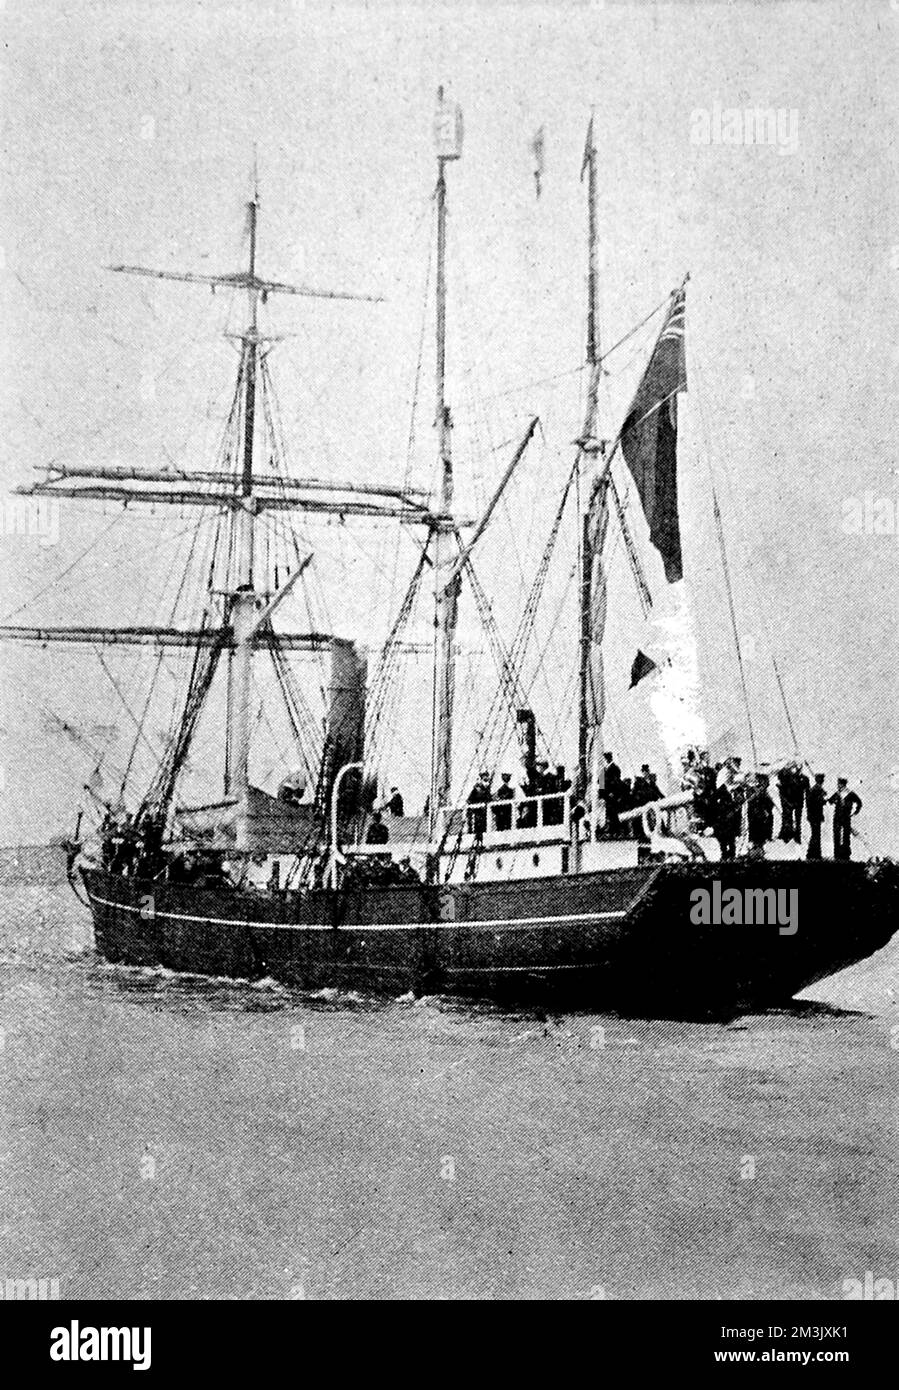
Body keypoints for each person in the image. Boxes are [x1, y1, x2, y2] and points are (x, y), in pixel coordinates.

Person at [829, 778, 862, 860]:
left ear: (843, 785)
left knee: (845, 836)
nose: (838, 786)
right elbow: (830, 801)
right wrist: (831, 800)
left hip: (846, 817)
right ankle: (837, 854)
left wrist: (856, 811)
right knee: (837, 835)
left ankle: (845, 855)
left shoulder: (850, 794)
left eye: (839, 784)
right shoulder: (838, 794)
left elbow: (859, 802)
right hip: (838, 817)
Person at [747, 774, 775, 856]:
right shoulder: (753, 789)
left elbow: (770, 804)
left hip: (763, 817)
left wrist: (767, 809)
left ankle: (760, 849)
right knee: (756, 834)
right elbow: (750, 801)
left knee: (763, 834)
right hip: (755, 817)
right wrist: (757, 794)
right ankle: (755, 849)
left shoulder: (765, 792)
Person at [712, 781, 740, 861]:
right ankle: (729, 855)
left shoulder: (723, 803)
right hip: (725, 824)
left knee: (727, 841)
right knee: (728, 841)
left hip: (726, 824)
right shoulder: (728, 802)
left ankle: (728, 855)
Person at [805, 773, 827, 860]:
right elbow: (818, 802)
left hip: (813, 815)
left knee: (815, 834)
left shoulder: (815, 789)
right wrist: (824, 798)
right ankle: (814, 853)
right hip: (815, 815)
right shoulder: (816, 789)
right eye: (822, 779)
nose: (823, 781)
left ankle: (813, 853)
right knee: (816, 834)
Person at [466, 770, 492, 841]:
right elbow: (469, 801)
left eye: (488, 780)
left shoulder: (487, 790)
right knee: (478, 826)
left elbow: (489, 799)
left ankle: (482, 839)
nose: (487, 783)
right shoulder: (476, 790)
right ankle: (476, 839)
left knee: (484, 826)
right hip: (477, 813)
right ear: (481, 780)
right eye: (485, 780)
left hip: (484, 813)